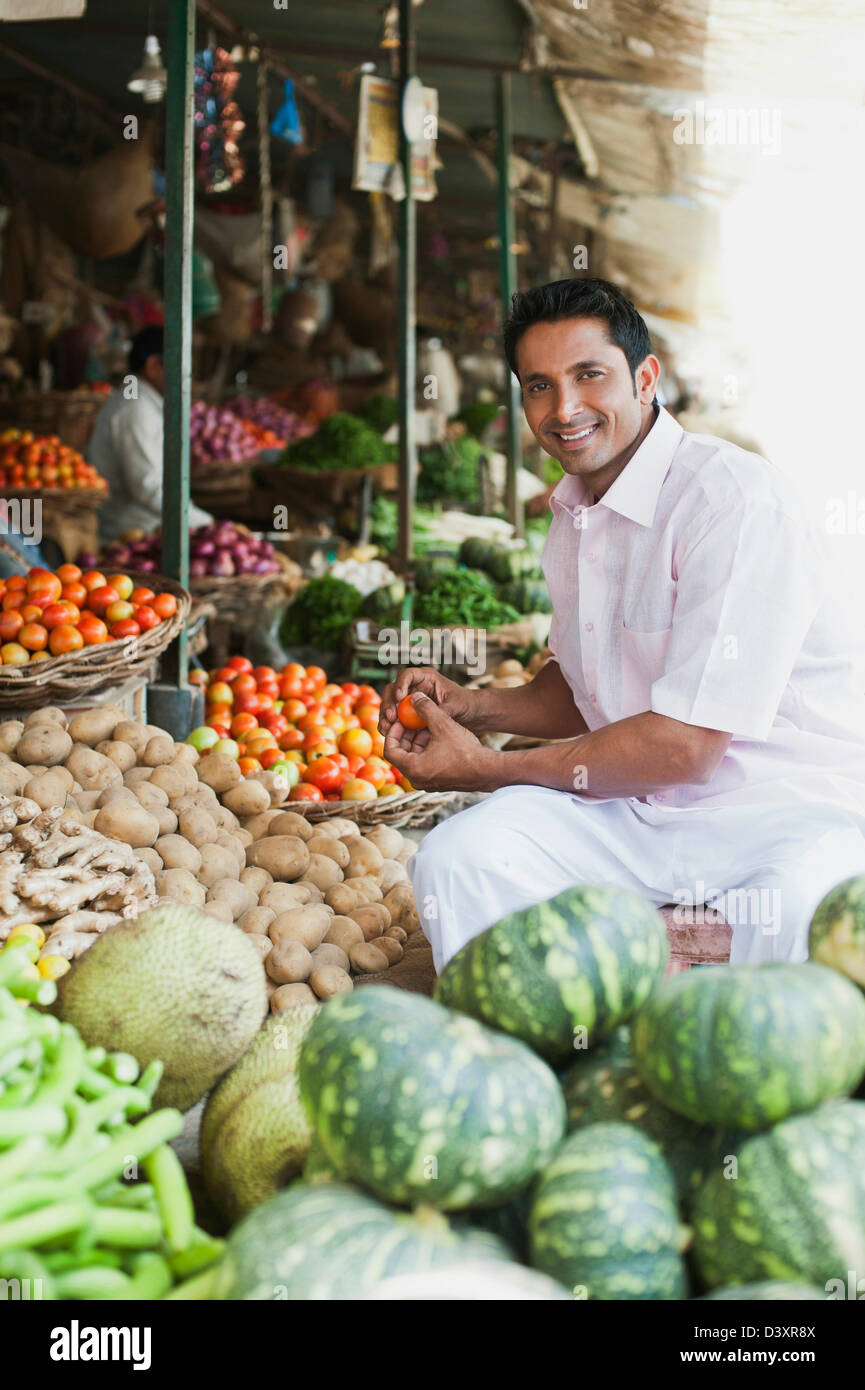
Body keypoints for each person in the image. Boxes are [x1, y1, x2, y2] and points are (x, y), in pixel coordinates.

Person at [380, 277, 865, 972]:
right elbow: (588, 684)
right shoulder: (573, 514)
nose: (564, 408)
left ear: (644, 379)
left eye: (588, 376)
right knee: (463, 860)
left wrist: (487, 769)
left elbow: (686, 747)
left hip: (778, 814)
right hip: (637, 812)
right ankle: (546, 1053)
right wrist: (471, 705)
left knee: (797, 902)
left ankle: (701, 1013)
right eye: (538, 386)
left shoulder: (731, 502)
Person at [90, 326, 212, 544]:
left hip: (149, 525)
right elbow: (147, 487)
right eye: (182, 367)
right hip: (130, 532)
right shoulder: (134, 408)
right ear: (154, 366)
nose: (187, 377)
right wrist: (205, 524)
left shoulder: (143, 402)